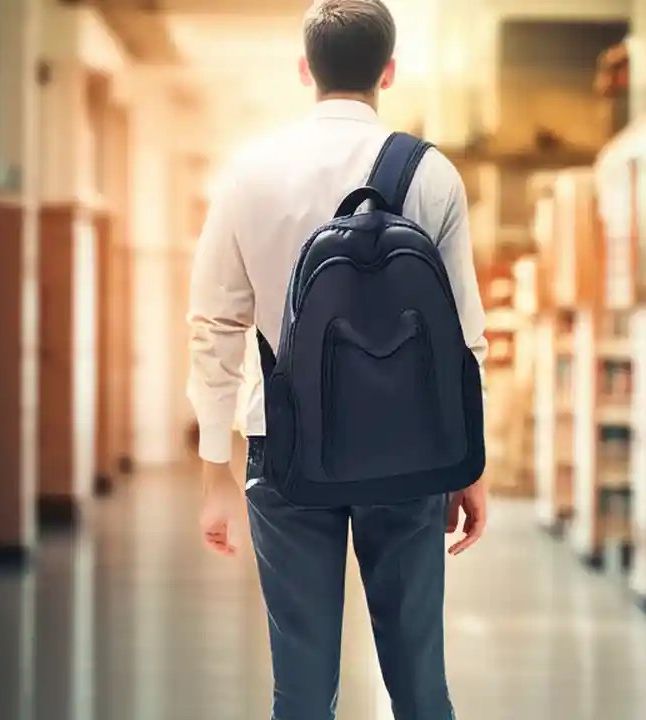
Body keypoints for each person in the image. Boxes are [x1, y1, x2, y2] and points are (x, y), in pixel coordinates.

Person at [186, 1, 489, 717]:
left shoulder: (247, 174)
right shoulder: (432, 175)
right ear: (389, 72)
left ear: (304, 71)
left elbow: (214, 326)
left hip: (287, 453)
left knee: (301, 684)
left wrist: (212, 469)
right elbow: (462, 338)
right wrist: (470, 466)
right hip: (409, 451)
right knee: (419, 678)